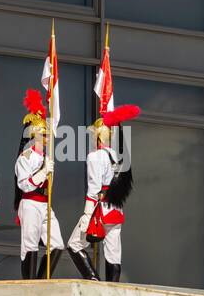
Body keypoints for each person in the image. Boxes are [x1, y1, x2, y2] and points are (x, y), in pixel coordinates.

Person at [68, 104, 140, 282]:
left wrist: (86, 213)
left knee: (74, 244)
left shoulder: (95, 156)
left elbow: (93, 188)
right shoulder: (118, 156)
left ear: (98, 136)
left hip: (99, 208)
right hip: (116, 209)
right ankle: (111, 290)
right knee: (113, 252)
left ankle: (93, 280)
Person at [14, 89, 65, 279]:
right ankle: (29, 283)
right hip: (30, 203)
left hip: (45, 204)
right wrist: (43, 172)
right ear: (35, 135)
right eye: (44, 135)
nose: (47, 139)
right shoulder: (25, 157)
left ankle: (41, 280)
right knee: (30, 245)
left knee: (58, 244)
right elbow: (24, 185)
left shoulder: (46, 156)